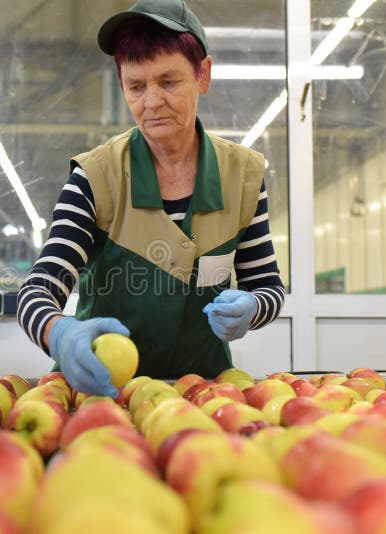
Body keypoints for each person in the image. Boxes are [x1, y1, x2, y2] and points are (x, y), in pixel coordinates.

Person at [17, 0, 285, 397]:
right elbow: (38, 288)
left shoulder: (242, 177)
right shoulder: (95, 177)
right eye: (136, 86)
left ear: (203, 75)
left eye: (169, 82)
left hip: (204, 398)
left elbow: (268, 286)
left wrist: (252, 309)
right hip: (105, 395)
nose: (152, 102)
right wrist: (59, 333)